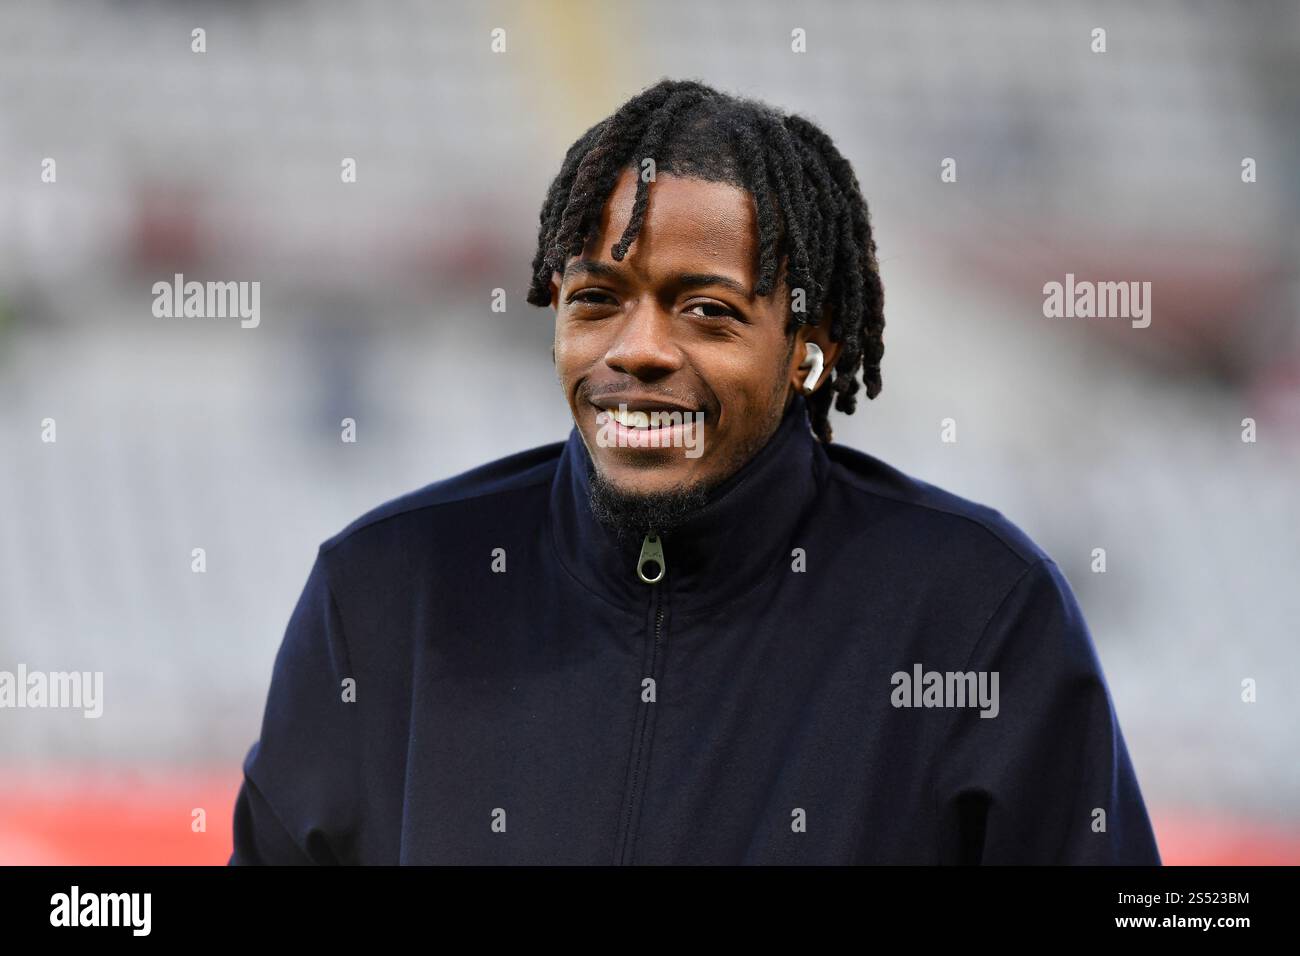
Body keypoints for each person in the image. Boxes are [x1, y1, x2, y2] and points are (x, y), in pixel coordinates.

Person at [230, 78, 1160, 865]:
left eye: (707, 312)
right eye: (597, 299)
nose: (637, 351)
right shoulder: (385, 590)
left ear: (811, 345)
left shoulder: (979, 612)